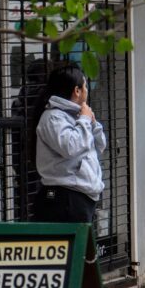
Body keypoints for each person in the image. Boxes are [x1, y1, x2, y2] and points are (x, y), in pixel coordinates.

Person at [33, 64, 107, 223]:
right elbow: (70, 147)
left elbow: (99, 146)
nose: (87, 90)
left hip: (82, 195)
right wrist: (85, 121)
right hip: (66, 197)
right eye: (85, 85)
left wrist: (92, 123)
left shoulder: (78, 114)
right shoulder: (53, 117)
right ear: (77, 90)